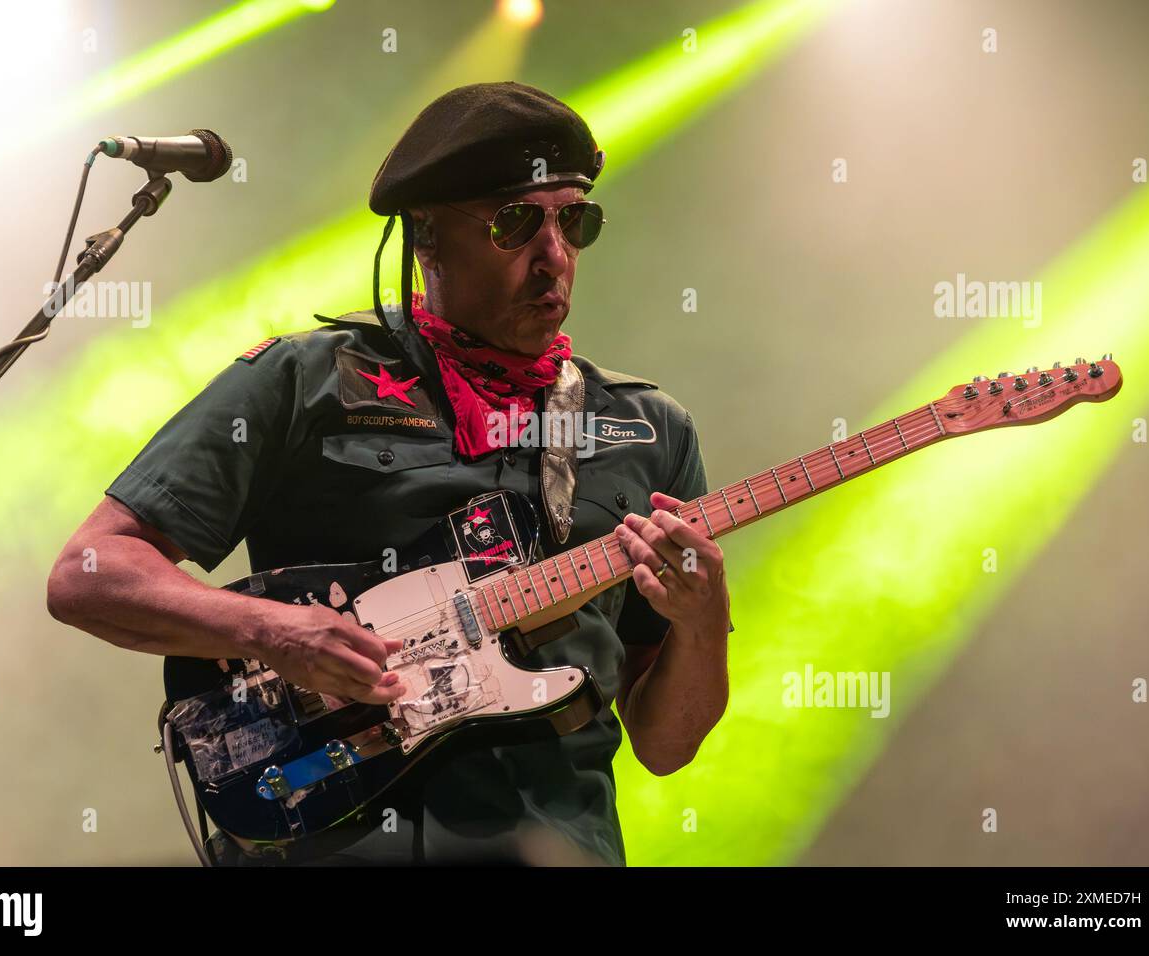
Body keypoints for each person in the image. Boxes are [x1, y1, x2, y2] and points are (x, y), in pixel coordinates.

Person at [46, 81, 732, 866]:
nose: (554, 256)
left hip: (555, 845)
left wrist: (704, 618)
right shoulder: (303, 380)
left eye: (572, 220)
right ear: (428, 239)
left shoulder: (652, 428)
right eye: (516, 223)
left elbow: (666, 744)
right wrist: (269, 631)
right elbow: (86, 574)